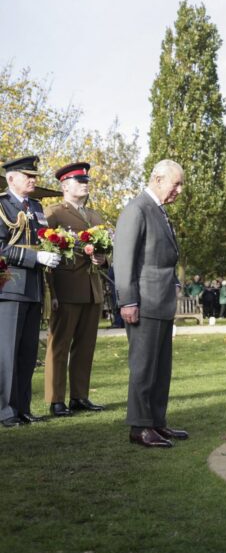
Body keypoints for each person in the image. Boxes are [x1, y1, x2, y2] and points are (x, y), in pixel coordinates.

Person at [113, 159, 188, 448]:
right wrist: (128, 300)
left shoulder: (156, 210)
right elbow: (124, 260)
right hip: (144, 302)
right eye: (176, 183)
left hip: (161, 301)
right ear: (158, 179)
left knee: (160, 368)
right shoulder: (137, 209)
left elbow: (159, 257)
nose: (179, 190)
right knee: (143, 368)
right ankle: (140, 427)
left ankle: (157, 422)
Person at [0, 155, 61, 427]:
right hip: (10, 288)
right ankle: (6, 411)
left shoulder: (36, 206)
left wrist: (54, 251)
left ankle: (23, 408)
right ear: (11, 178)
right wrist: (35, 259)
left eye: (34, 176)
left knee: (27, 355)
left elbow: (42, 241)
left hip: (35, 288)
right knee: (7, 354)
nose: (34, 180)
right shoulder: (2, 206)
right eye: (28, 176)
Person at [43, 161, 107, 417]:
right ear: (64, 185)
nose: (85, 184)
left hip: (92, 289)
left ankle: (80, 396)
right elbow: (46, 253)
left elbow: (104, 251)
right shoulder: (54, 213)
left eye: (86, 181)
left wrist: (103, 258)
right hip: (66, 288)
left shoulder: (95, 216)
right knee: (59, 346)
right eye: (80, 181)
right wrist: (51, 293)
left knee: (85, 347)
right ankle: (56, 399)